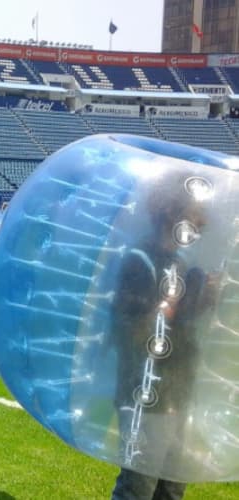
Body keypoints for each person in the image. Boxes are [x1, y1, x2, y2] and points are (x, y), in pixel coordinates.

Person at [108, 173, 218, 500]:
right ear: (172, 212)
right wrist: (171, 305)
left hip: (177, 394)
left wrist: (201, 302)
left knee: (172, 489)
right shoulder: (139, 261)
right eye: (197, 212)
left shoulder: (180, 263)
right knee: (138, 489)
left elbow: (177, 330)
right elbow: (133, 333)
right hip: (146, 397)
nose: (205, 221)